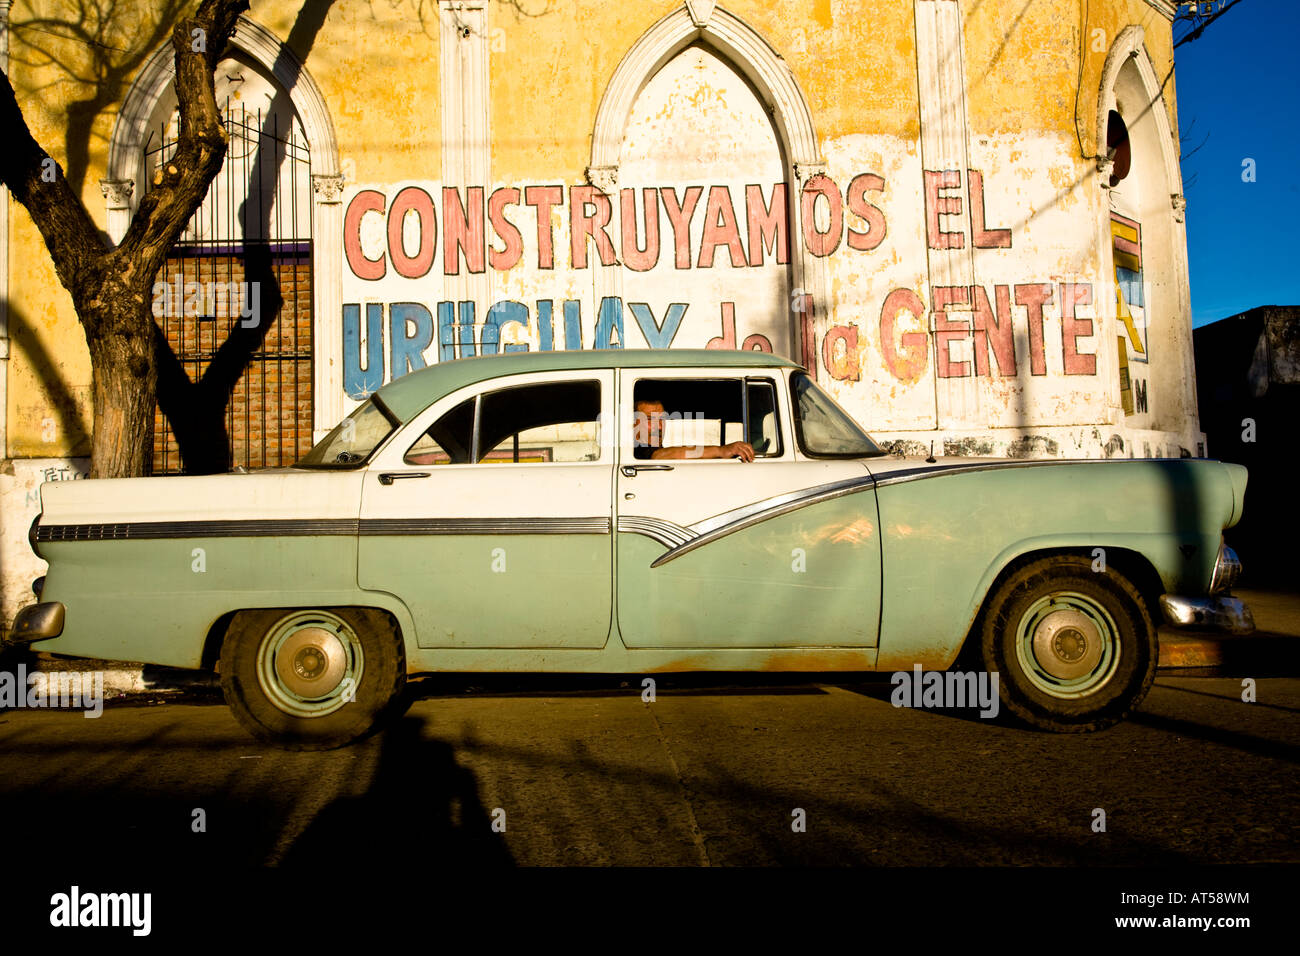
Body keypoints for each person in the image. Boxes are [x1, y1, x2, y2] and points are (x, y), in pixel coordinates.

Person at [632, 398, 754, 461]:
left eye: (662, 419)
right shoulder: (633, 450)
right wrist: (721, 451)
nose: (659, 426)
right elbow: (660, 456)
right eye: (649, 419)